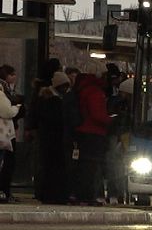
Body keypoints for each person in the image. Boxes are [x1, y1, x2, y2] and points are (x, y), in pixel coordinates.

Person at [74, 72, 112, 205]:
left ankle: (82, 194)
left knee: (85, 165)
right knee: (93, 166)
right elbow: (98, 115)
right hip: (94, 133)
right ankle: (89, 195)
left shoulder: (83, 90)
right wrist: (110, 120)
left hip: (84, 132)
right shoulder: (95, 93)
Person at [34, 72, 71, 204]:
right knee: (55, 168)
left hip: (47, 138)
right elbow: (58, 121)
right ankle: (55, 195)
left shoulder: (44, 99)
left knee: (47, 167)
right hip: (55, 139)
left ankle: (45, 193)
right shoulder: (55, 102)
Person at [105, 77, 135, 205]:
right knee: (119, 166)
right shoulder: (123, 105)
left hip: (118, 136)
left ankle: (118, 193)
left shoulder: (115, 103)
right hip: (121, 136)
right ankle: (120, 193)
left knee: (117, 166)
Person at [0, 65, 22, 203]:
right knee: (4, 163)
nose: (15, 77)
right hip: (4, 134)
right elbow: (7, 111)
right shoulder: (2, 92)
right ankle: (3, 191)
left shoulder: (7, 91)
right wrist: (17, 107)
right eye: (12, 74)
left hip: (6, 134)